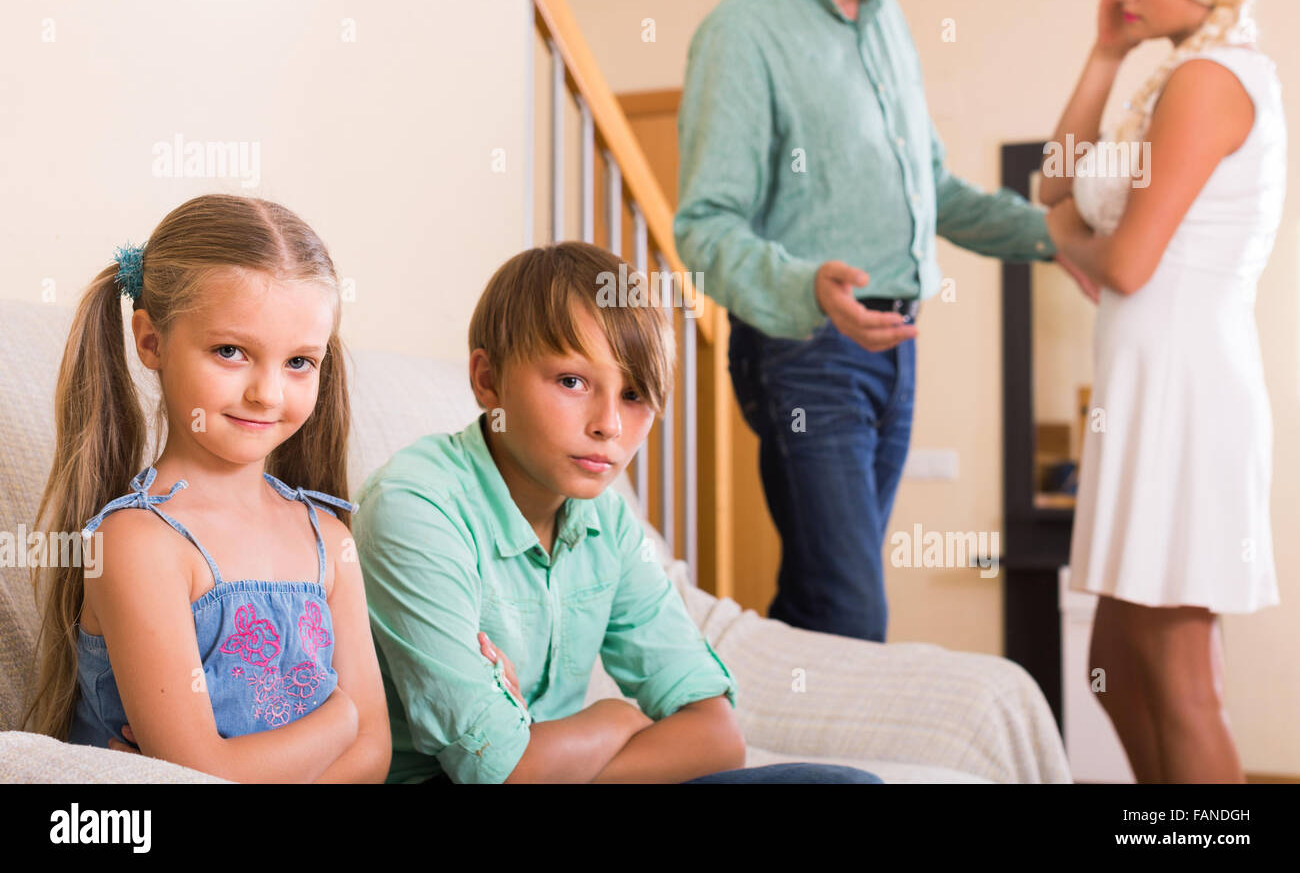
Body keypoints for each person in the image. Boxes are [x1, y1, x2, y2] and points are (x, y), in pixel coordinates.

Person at [673, 0, 1094, 642]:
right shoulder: (743, 32)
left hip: (892, 347)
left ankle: (768, 752)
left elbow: (931, 188)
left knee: (822, 603)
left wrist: (1056, 237)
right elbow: (703, 225)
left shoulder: (887, 21)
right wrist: (806, 285)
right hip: (805, 352)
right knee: (851, 609)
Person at [354, 241, 881, 783]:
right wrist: (618, 717)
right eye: (571, 382)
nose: (608, 424)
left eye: (634, 395)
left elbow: (717, 735)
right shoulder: (415, 508)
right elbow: (501, 772)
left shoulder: (607, 521)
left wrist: (551, 757)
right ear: (488, 380)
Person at [1040, 0, 1284, 783]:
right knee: (1114, 668)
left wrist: (1064, 233)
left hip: (1186, 393)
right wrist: (1105, 52)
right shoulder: (1173, 74)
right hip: (1150, 389)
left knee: (1182, 686)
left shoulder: (1212, 80)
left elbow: (1127, 261)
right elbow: (1052, 183)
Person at [23, 193, 391, 783]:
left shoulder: (328, 538)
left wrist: (350, 736)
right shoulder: (137, 544)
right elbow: (202, 772)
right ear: (151, 342)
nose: (267, 393)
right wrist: (341, 718)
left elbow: (374, 761)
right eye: (231, 351)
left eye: (299, 362)